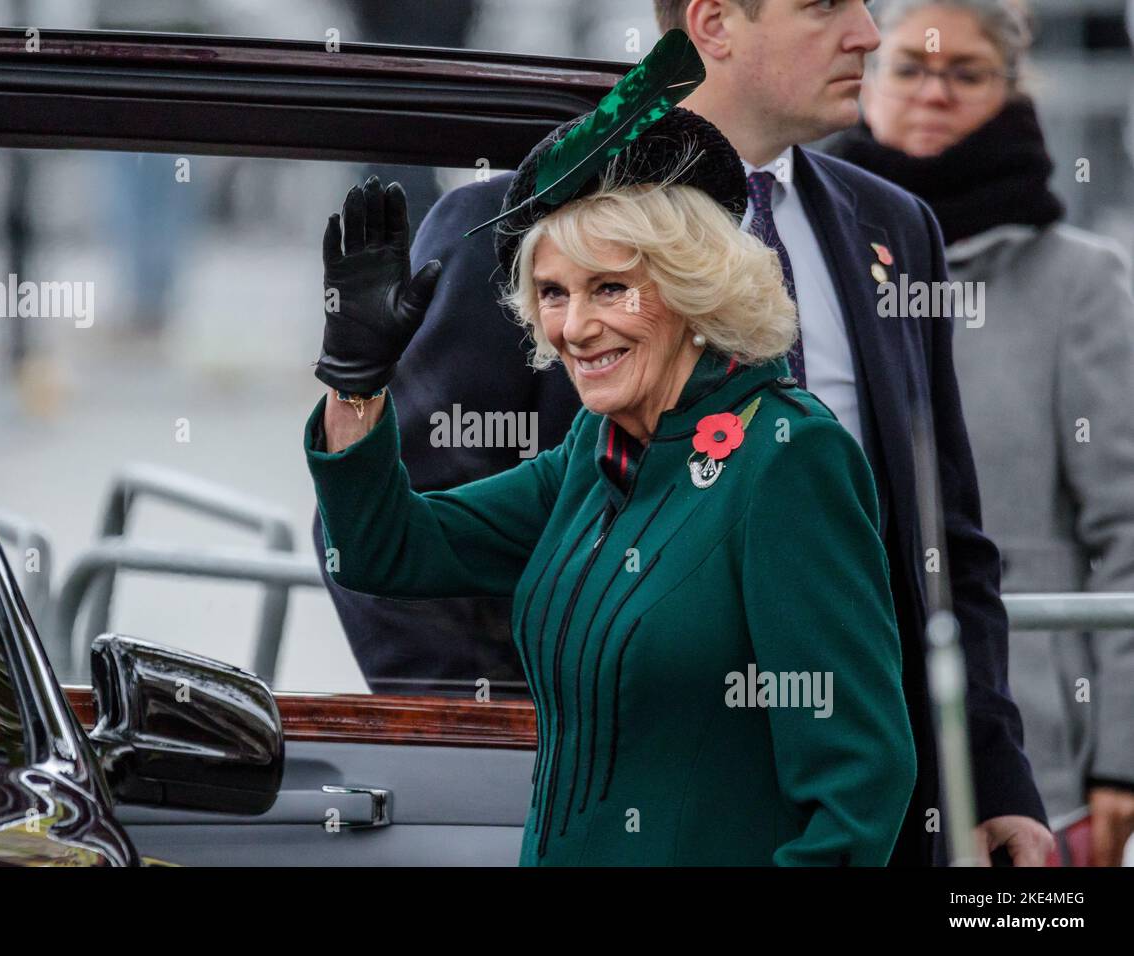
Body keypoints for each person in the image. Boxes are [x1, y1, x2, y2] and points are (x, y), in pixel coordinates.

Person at [303, 43, 917, 864]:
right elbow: (379, 549)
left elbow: (860, 786)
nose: (575, 328)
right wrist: (357, 384)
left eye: (610, 289)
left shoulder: (787, 460)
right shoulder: (597, 450)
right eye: (553, 294)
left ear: (695, 289)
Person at [826, 0, 1134, 868]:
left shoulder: (1079, 280)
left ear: (1009, 89)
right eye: (911, 68)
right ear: (869, 77)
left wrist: (1123, 755)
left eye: (966, 72)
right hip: (847, 748)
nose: (935, 93)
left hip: (1038, 770)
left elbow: (1127, 529)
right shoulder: (801, 254)